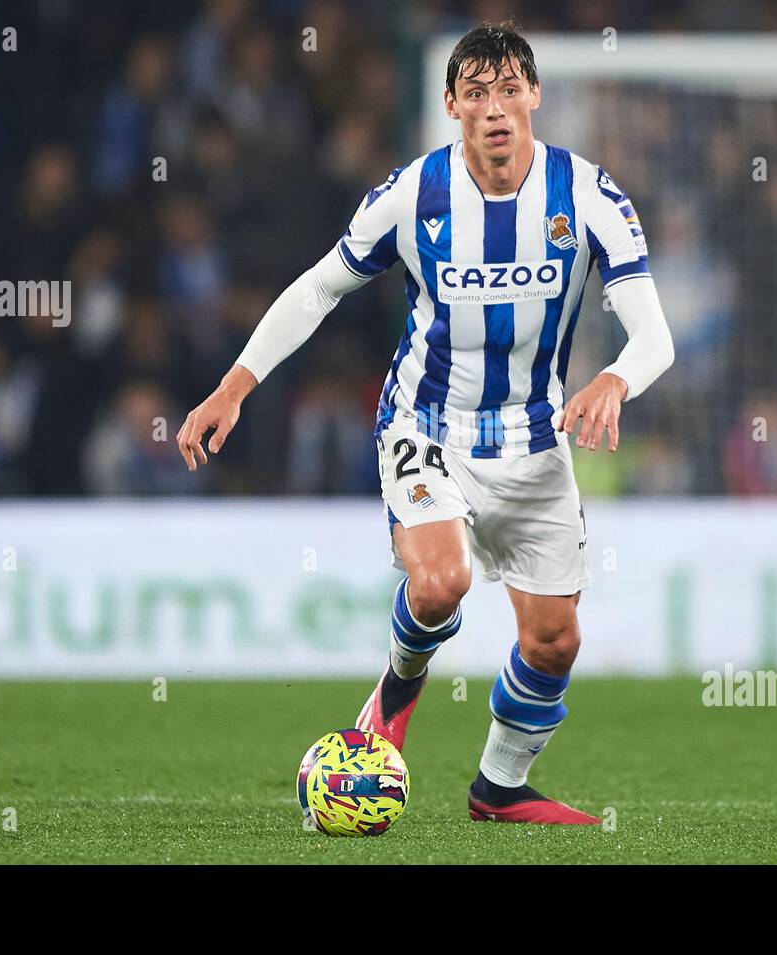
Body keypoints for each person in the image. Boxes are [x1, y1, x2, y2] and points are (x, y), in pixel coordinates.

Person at [176, 21, 673, 824]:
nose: (496, 109)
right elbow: (317, 289)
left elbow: (656, 335)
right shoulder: (413, 195)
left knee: (555, 642)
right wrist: (235, 386)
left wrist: (616, 378)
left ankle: (497, 789)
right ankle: (395, 697)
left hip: (535, 438)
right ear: (450, 105)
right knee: (442, 580)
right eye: (476, 93)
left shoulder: (588, 194)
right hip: (428, 424)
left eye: (510, 89)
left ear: (535, 96)